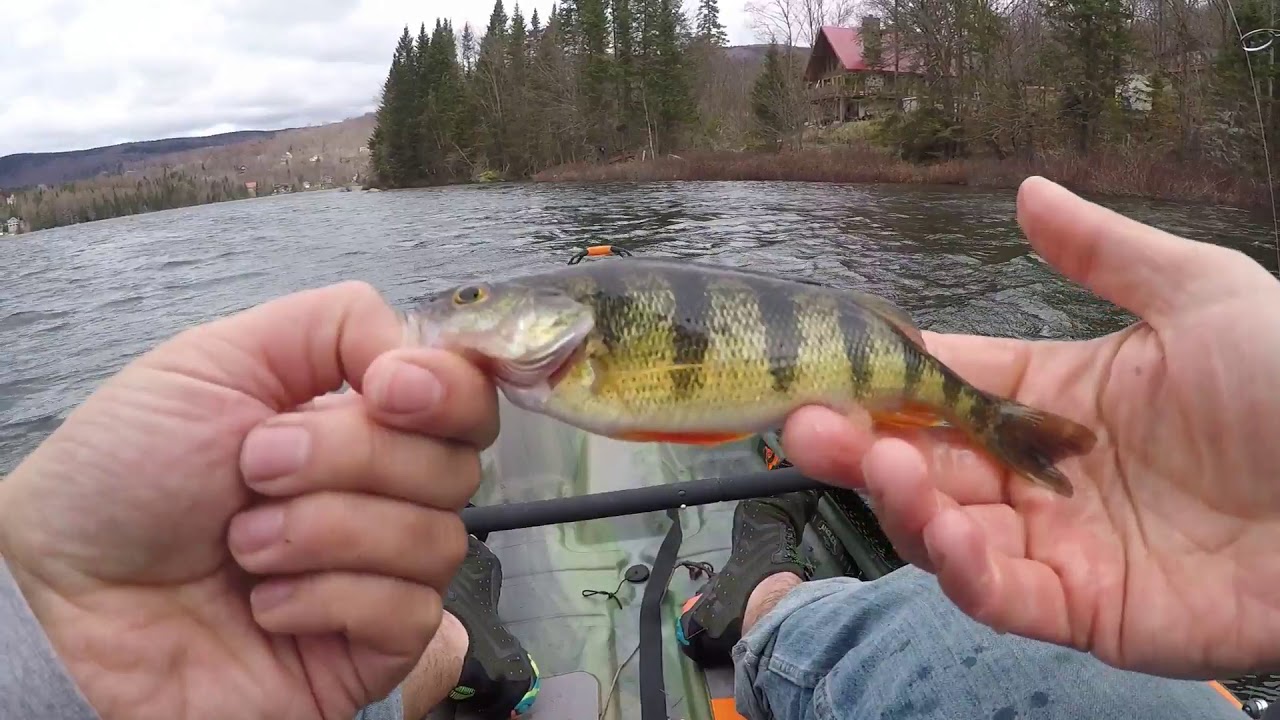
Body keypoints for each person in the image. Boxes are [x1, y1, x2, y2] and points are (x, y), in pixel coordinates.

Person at [1, 174, 1278, 720]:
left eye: (479, 301)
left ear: (543, 310)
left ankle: (470, 638)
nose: (458, 314)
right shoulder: (561, 352)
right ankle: (766, 593)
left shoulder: (574, 346)